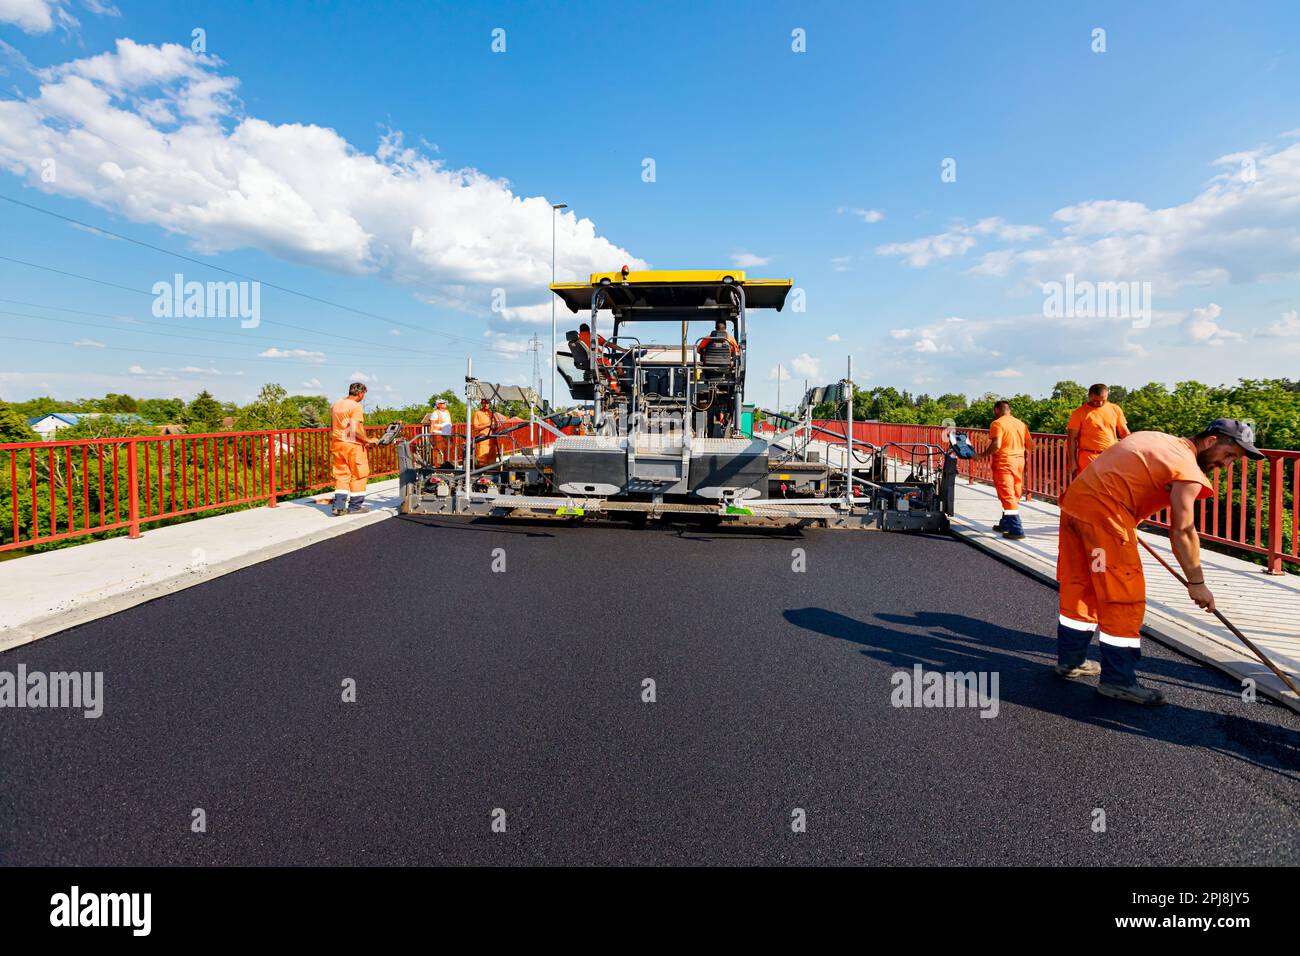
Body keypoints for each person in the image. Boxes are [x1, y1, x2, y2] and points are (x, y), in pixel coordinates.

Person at [1054, 419, 1263, 704]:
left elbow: (1119, 472)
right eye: (1228, 456)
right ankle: (1118, 681)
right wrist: (1197, 583)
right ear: (1211, 442)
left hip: (1076, 507)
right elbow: (1183, 531)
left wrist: (1126, 517)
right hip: (1104, 520)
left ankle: (1071, 661)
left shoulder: (1156, 438)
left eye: (1233, 461)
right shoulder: (1188, 470)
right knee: (1123, 598)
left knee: (1081, 586)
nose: (1226, 466)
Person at [973, 401, 1032, 539]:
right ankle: (1005, 523)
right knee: (1015, 493)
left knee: (1007, 495)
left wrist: (981, 455)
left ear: (996, 410)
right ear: (1009, 410)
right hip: (1019, 461)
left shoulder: (997, 423)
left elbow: (996, 444)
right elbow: (1030, 445)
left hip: (1005, 461)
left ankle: (1016, 529)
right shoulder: (1021, 424)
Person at [329, 382, 378, 515]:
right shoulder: (355, 406)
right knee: (359, 473)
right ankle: (355, 506)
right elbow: (355, 429)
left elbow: (332, 425)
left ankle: (338, 506)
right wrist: (368, 440)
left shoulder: (336, 403)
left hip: (337, 443)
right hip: (352, 445)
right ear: (361, 394)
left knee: (341, 474)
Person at [1067, 383, 1130, 476]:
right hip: (1088, 458)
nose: (1100, 403)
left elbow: (1125, 433)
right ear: (1089, 396)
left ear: (1107, 396)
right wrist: (1072, 462)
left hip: (1111, 456)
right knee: (1089, 488)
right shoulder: (1079, 413)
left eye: (1103, 400)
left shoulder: (1115, 409)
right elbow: (1071, 439)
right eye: (1095, 400)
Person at [423, 398, 453, 466]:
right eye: (443, 403)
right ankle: (438, 467)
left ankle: (448, 465)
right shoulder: (435, 413)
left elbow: (450, 423)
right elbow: (432, 425)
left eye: (444, 403)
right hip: (439, 435)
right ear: (438, 405)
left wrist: (451, 434)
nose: (445, 404)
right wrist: (431, 436)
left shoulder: (447, 412)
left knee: (448, 451)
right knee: (439, 452)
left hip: (447, 435)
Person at [470, 398, 498, 466]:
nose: (486, 405)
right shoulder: (478, 413)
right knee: (482, 462)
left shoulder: (491, 414)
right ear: (481, 404)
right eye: (484, 403)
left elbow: (495, 425)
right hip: (483, 441)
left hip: (492, 441)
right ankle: (481, 475)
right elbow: (476, 427)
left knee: (492, 463)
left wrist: (495, 426)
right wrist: (488, 424)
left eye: (487, 403)